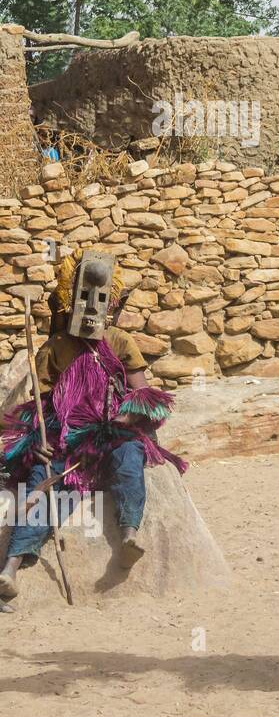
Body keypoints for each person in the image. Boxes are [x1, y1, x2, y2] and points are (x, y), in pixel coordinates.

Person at [1, 252, 185, 600]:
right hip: (68, 436)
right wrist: (40, 439)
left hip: (113, 433)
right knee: (44, 482)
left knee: (130, 459)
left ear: (110, 306)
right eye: (80, 301)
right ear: (66, 305)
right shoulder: (55, 347)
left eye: (98, 302)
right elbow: (40, 405)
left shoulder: (118, 342)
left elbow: (143, 393)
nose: (88, 310)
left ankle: (129, 535)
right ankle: (10, 567)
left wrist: (125, 418)